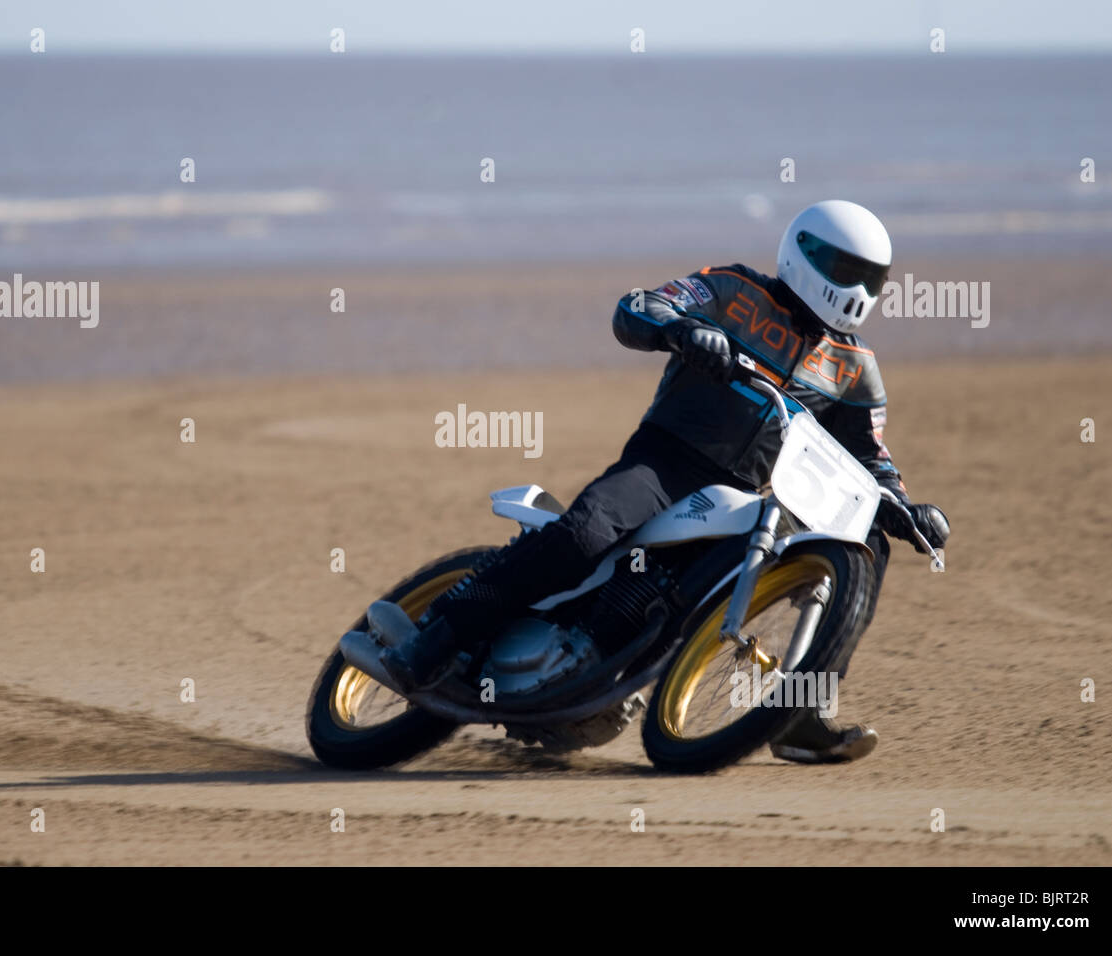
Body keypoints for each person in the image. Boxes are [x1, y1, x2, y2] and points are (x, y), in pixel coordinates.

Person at [381, 200, 949, 763]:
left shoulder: (854, 365)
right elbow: (637, 308)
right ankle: (433, 640)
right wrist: (681, 330)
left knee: (865, 543)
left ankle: (801, 714)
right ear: (805, 255)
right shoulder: (734, 289)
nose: (855, 289)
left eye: (870, 278)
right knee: (584, 534)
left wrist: (901, 503)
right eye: (846, 270)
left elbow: (871, 457)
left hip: (751, 496)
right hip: (664, 464)